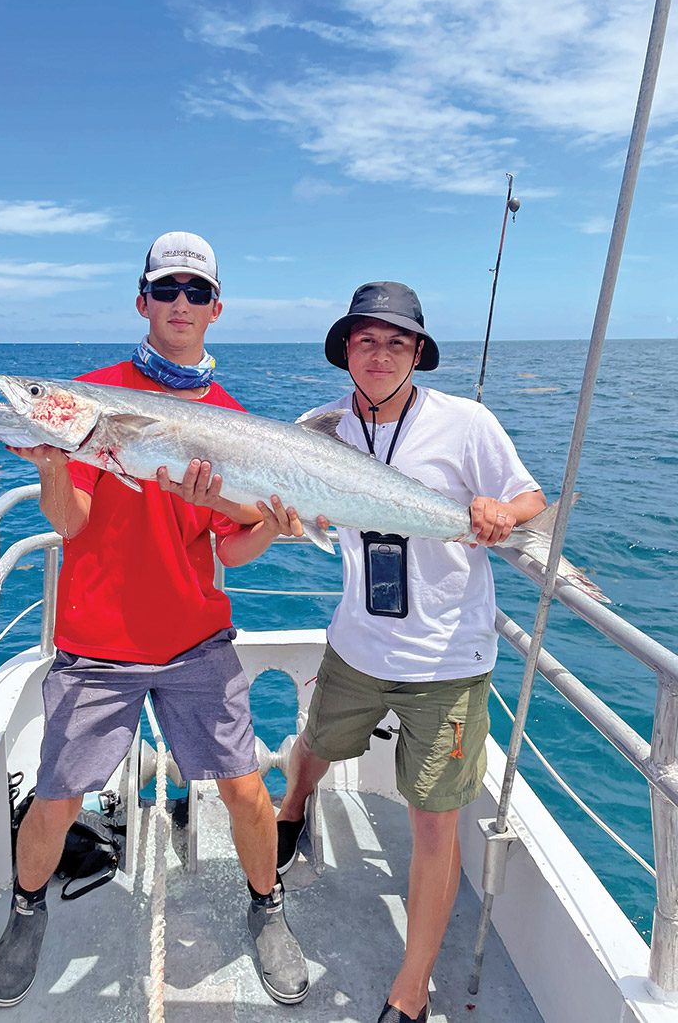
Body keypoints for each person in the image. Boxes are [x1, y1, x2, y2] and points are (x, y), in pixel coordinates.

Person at [0, 232, 310, 1009]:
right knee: (58, 797)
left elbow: (236, 544)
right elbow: (71, 523)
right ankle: (25, 909)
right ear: (142, 300)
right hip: (97, 643)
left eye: (197, 291)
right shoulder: (94, 398)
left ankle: (268, 908)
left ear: (216, 309)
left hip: (196, 638)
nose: (181, 304)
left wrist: (278, 523)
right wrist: (56, 461)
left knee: (245, 789)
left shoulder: (232, 420)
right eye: (167, 289)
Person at [275, 282, 546, 1023]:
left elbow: (531, 501)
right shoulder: (319, 429)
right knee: (316, 744)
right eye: (367, 340)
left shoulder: (467, 424)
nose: (381, 353)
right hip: (357, 642)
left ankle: (411, 985)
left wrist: (501, 511)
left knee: (435, 819)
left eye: (398, 341)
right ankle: (292, 810)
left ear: (419, 352)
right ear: (346, 351)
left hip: (448, 659)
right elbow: (288, 509)